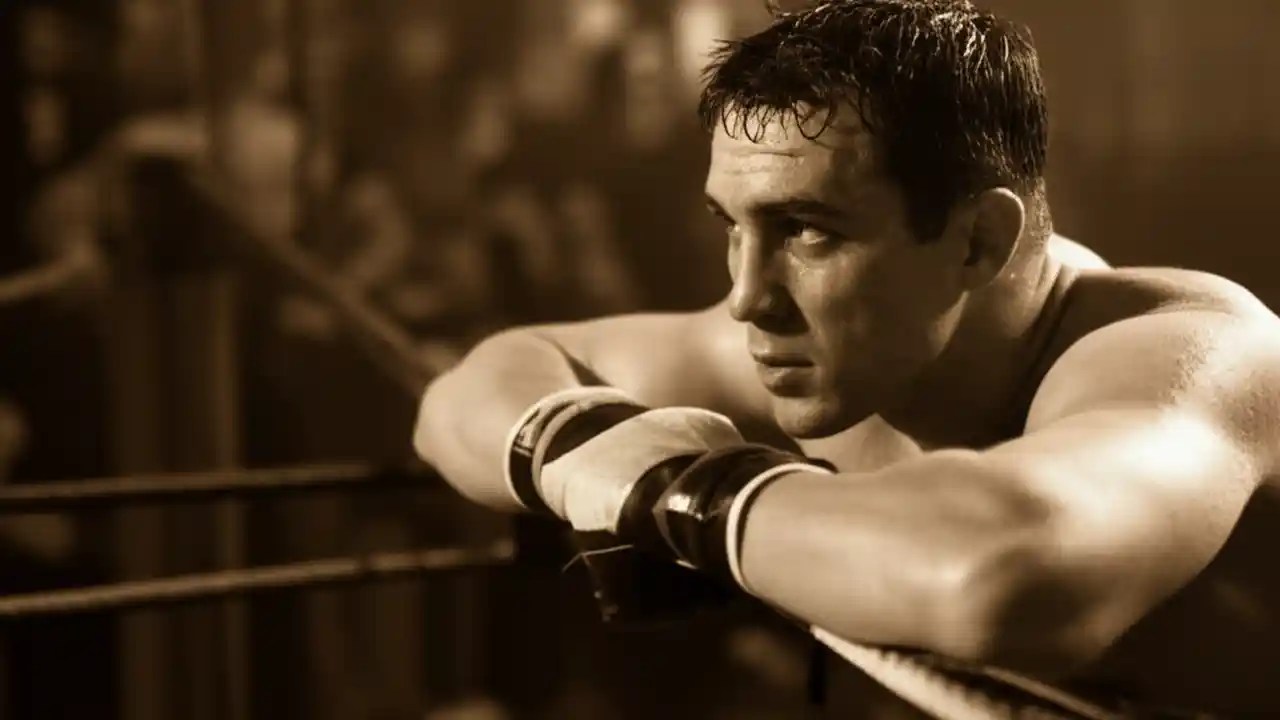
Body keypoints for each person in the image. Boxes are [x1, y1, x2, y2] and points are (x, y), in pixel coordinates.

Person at [413, 0, 1280, 715]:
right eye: (732, 226)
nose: (747, 298)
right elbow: (469, 392)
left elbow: (1002, 573)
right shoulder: (831, 350)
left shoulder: (1202, 354)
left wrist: (687, 499)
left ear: (977, 242)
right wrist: (600, 452)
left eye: (806, 230)